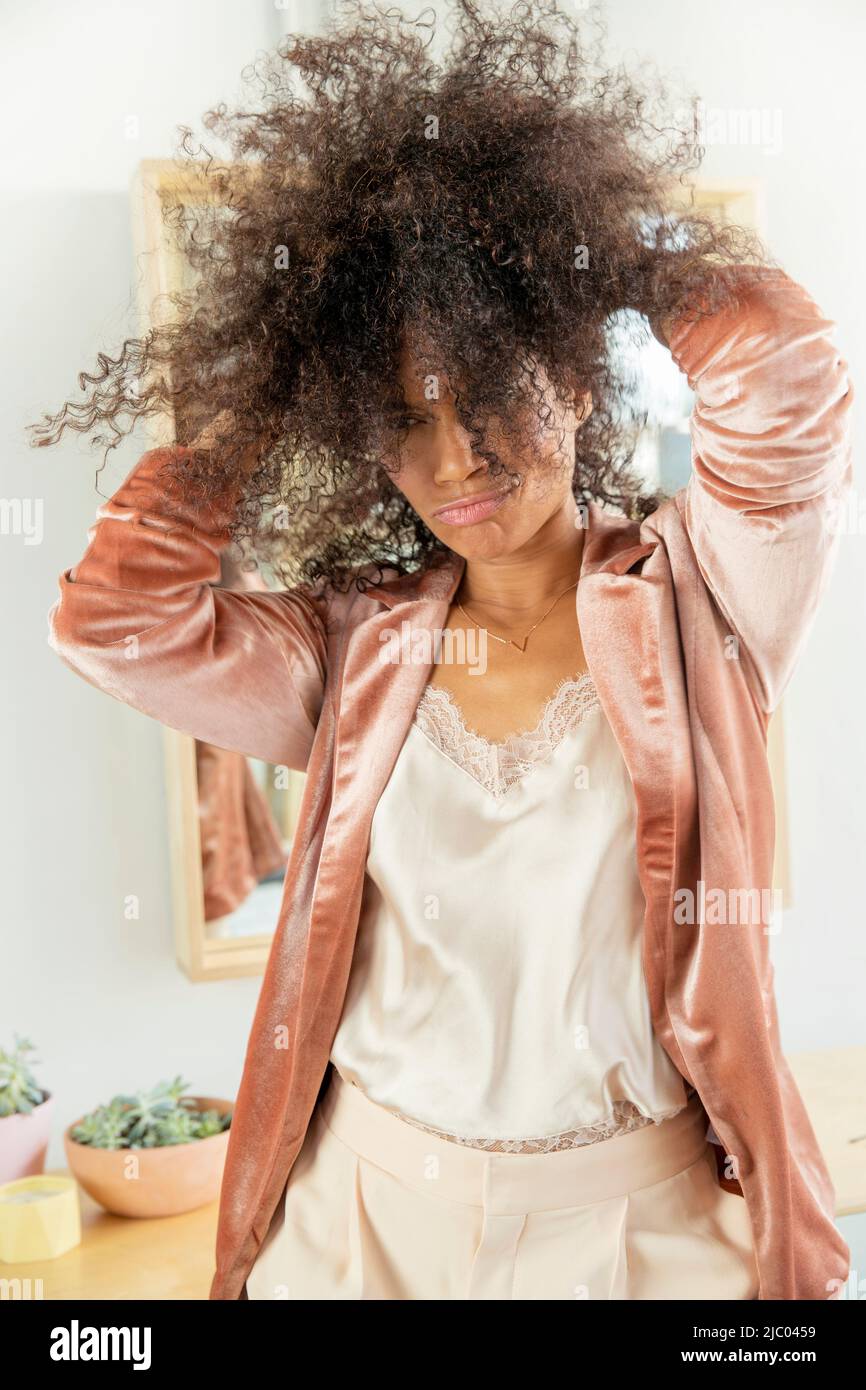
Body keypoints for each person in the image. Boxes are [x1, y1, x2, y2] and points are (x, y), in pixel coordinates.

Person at [32, 0, 852, 1300]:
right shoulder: (353, 647)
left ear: (577, 374)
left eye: (489, 388)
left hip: (636, 1231)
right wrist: (260, 401)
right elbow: (114, 623)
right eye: (399, 417)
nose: (455, 455)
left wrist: (586, 265)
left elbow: (787, 373)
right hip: (362, 1219)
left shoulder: (703, 597)